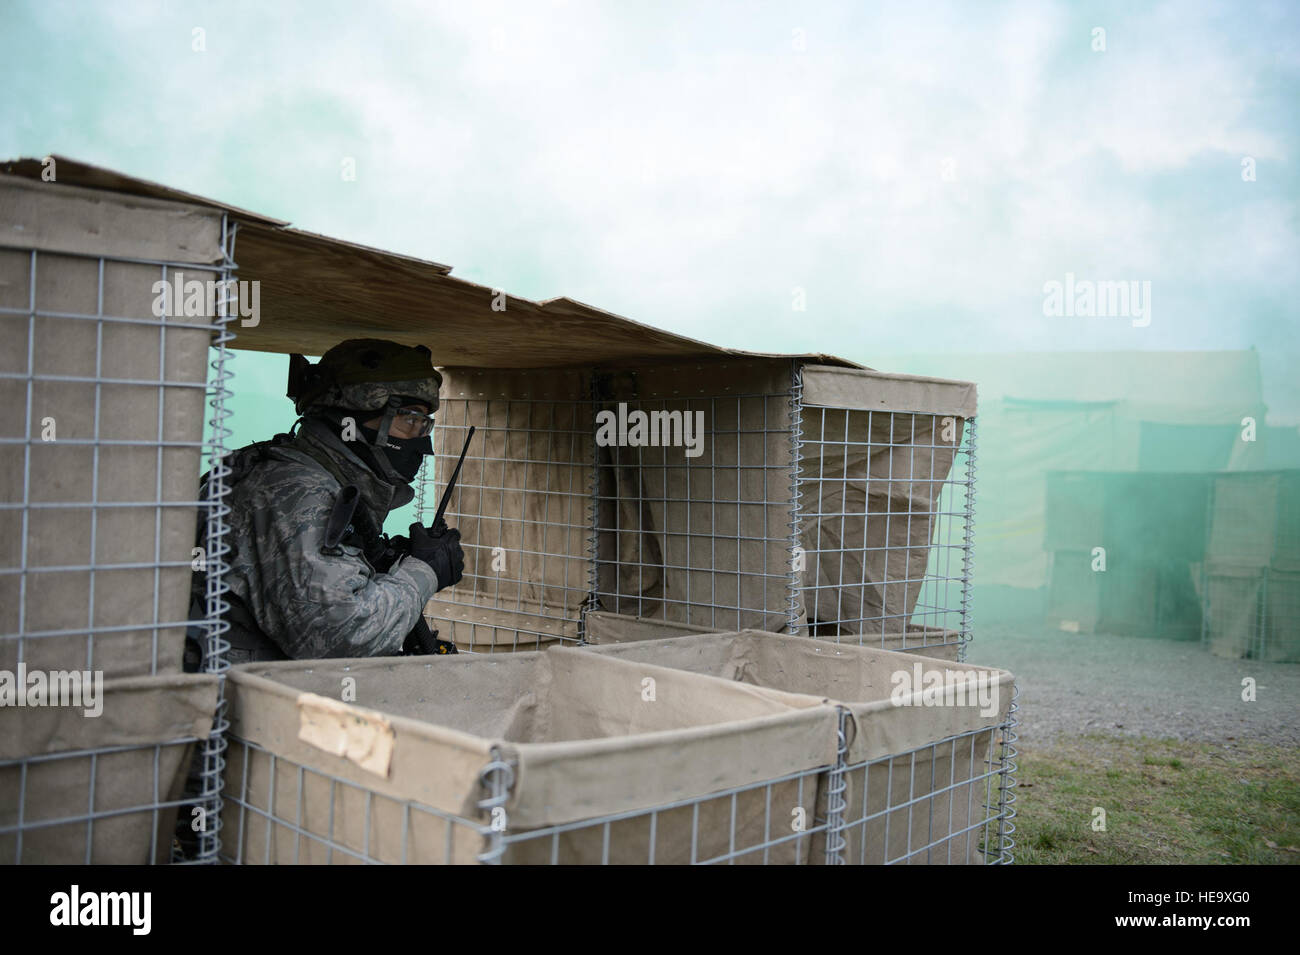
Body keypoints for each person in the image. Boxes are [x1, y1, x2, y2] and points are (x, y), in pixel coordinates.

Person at [186, 338, 465, 666]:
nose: (421, 439)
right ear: (352, 419)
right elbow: (341, 638)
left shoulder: (300, 471)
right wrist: (423, 572)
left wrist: (387, 565)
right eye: (408, 419)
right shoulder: (297, 491)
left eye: (423, 424)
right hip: (234, 703)